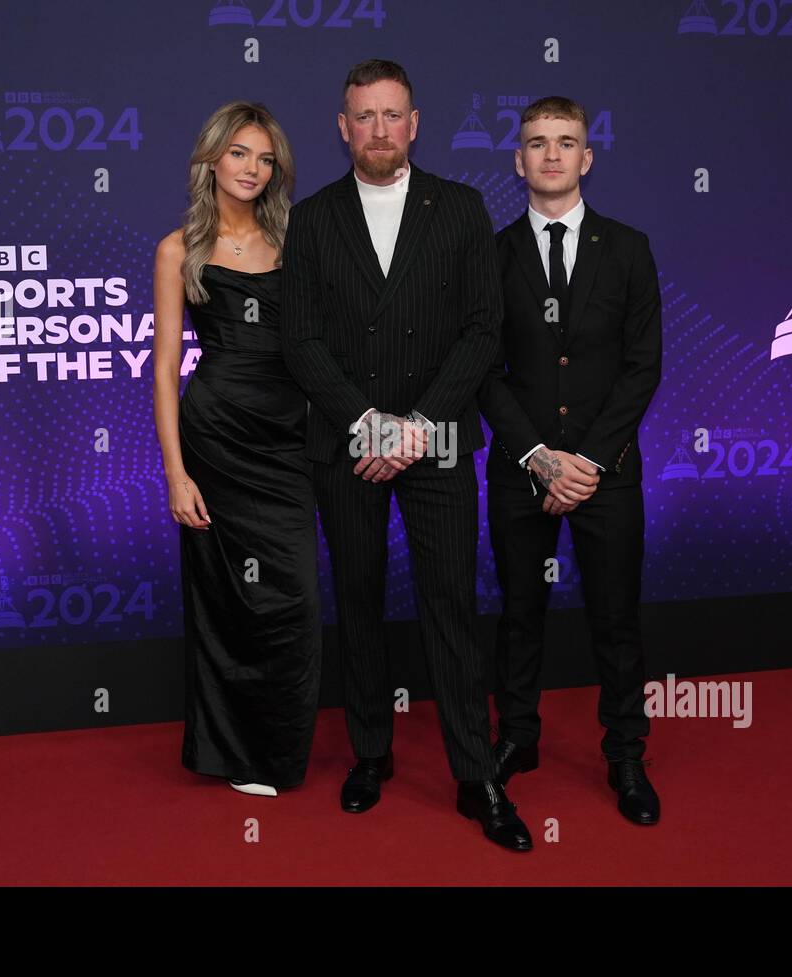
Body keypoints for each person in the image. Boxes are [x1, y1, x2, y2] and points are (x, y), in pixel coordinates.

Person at [280, 58, 531, 852]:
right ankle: (370, 753)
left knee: (450, 604)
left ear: (414, 124)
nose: (379, 130)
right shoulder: (313, 219)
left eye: (393, 115)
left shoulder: (460, 209)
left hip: (439, 437)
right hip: (347, 443)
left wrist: (417, 422)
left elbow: (483, 330)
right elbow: (301, 340)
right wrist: (368, 423)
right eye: (365, 116)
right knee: (356, 599)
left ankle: (474, 770)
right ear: (343, 127)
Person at [477, 96, 664, 825]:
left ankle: (625, 753)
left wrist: (583, 460)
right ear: (518, 160)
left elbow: (642, 366)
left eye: (566, 142)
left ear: (587, 158)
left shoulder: (629, 248)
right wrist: (536, 457)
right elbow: (482, 369)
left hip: (606, 472)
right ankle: (517, 738)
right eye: (536, 143)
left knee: (615, 620)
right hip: (519, 470)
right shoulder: (489, 256)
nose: (551, 154)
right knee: (519, 615)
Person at [152, 101, 320, 797]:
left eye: (265, 157)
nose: (253, 168)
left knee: (295, 600)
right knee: (228, 601)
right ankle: (235, 754)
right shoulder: (178, 248)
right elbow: (165, 365)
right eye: (240, 154)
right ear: (211, 160)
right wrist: (175, 473)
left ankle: (277, 750)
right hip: (216, 437)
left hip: (287, 442)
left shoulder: (299, 241)